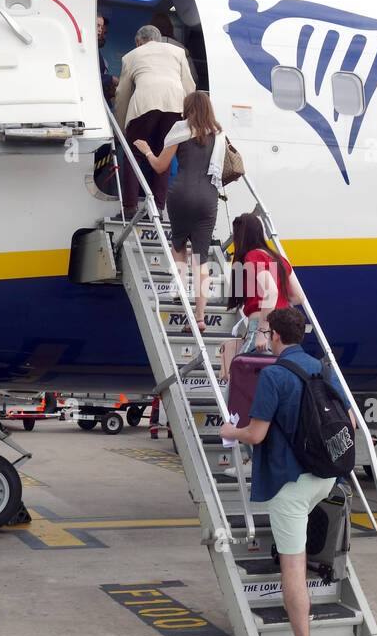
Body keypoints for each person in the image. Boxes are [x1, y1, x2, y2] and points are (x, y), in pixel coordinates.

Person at [220, 307, 355, 636]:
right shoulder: (323, 369)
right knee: (291, 548)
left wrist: (230, 432)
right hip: (325, 477)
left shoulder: (275, 375)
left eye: (266, 333)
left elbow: (256, 434)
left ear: (275, 336)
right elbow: (351, 420)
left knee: (292, 567)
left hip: (289, 486)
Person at [134, 90, 224, 331]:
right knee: (201, 259)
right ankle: (201, 317)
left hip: (181, 195)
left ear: (188, 108)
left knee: (179, 247)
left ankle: (180, 289)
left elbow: (160, 166)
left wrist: (146, 150)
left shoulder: (179, 129)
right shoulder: (219, 134)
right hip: (208, 198)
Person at [115, 24, 195, 218]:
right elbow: (190, 86)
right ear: (158, 40)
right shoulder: (178, 52)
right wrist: (190, 117)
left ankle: (130, 207)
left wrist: (119, 127)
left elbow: (122, 94)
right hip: (175, 105)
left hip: (144, 104)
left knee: (133, 154)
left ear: (138, 42)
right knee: (164, 153)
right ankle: (159, 207)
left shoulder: (131, 56)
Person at [219, 212, 305, 382]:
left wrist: (262, 331)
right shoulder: (279, 259)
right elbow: (298, 297)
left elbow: (270, 291)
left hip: (262, 327)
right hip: (282, 333)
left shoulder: (253, 256)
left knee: (237, 384)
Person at [149, 10, 198, 83]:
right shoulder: (182, 49)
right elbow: (193, 78)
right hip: (175, 92)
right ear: (170, 28)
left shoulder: (145, 48)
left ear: (151, 29)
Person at [96, 14, 117, 108]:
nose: (100, 31)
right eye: (97, 26)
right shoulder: (88, 51)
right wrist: (111, 79)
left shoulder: (98, 53)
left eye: (101, 28)